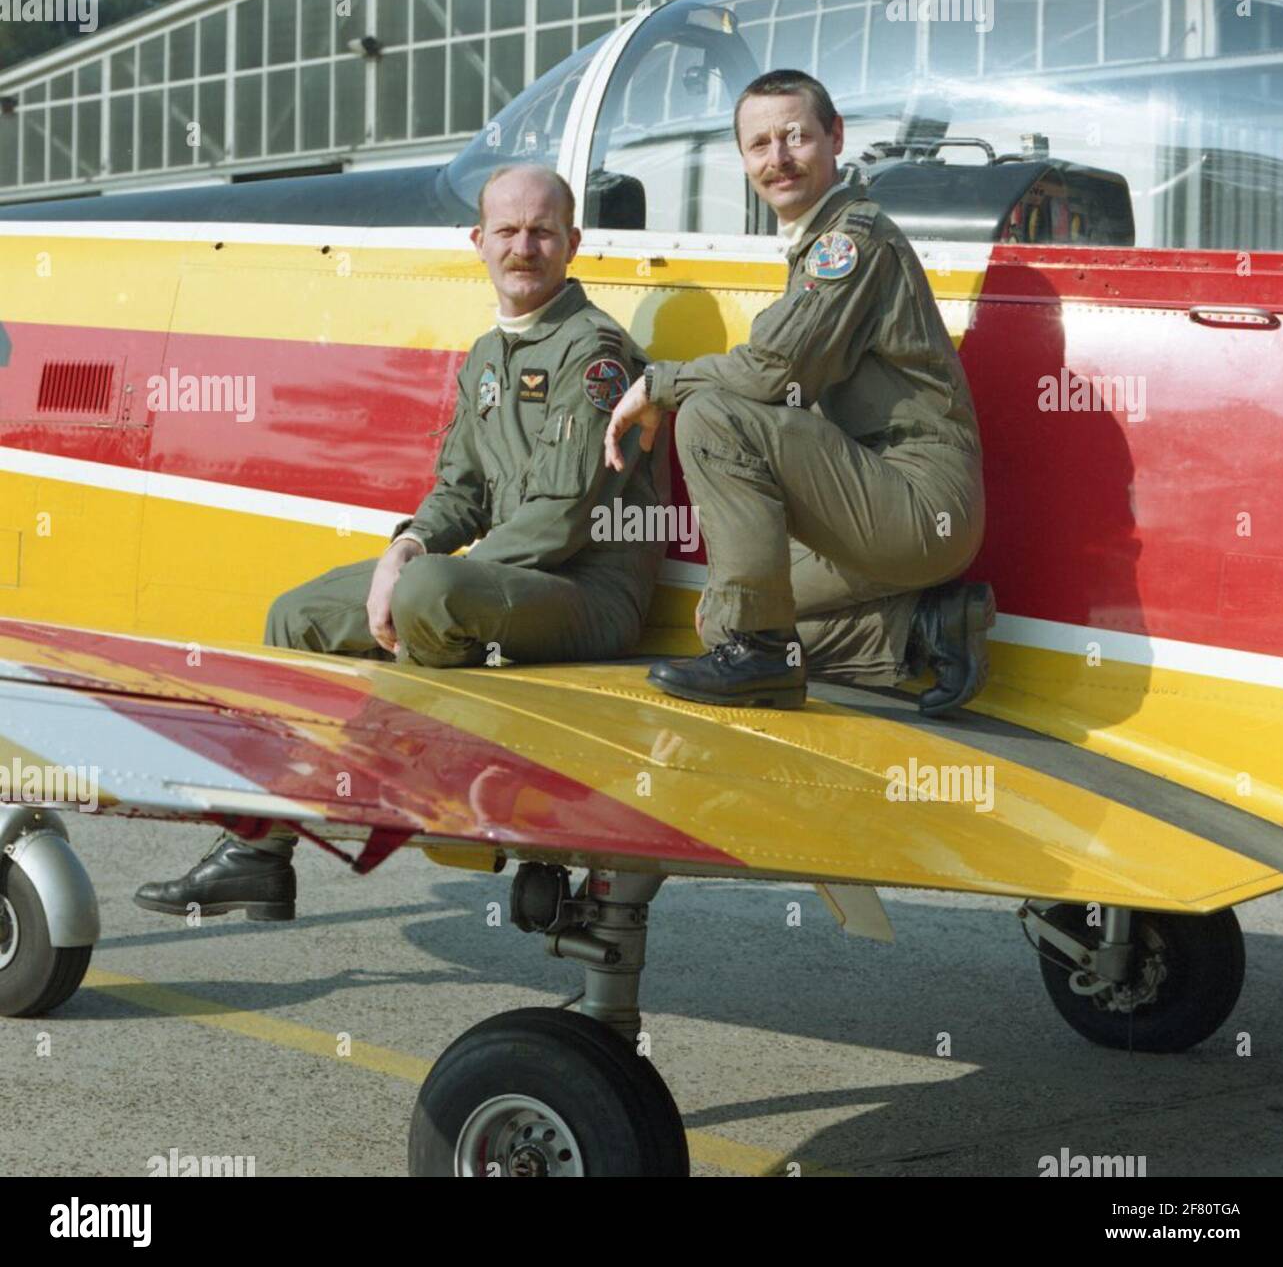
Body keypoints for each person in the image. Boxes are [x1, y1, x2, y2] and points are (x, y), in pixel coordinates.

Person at [135, 164, 665, 922]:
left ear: (573, 242)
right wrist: (407, 547)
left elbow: (562, 515)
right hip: (500, 587)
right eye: (508, 232)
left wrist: (433, 578)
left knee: (429, 597)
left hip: (588, 594)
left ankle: (419, 767)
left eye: (543, 231)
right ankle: (258, 852)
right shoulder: (488, 356)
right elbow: (461, 491)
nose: (525, 248)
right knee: (299, 616)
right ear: (479, 242)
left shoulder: (595, 353)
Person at [604, 69, 993, 713]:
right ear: (743, 159)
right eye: (759, 145)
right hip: (873, 502)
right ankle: (925, 630)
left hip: (916, 500)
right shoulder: (811, 245)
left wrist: (658, 383)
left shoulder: (851, 239)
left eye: (796, 137)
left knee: (708, 413)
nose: (778, 159)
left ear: (835, 137)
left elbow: (768, 373)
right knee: (720, 621)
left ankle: (760, 660)